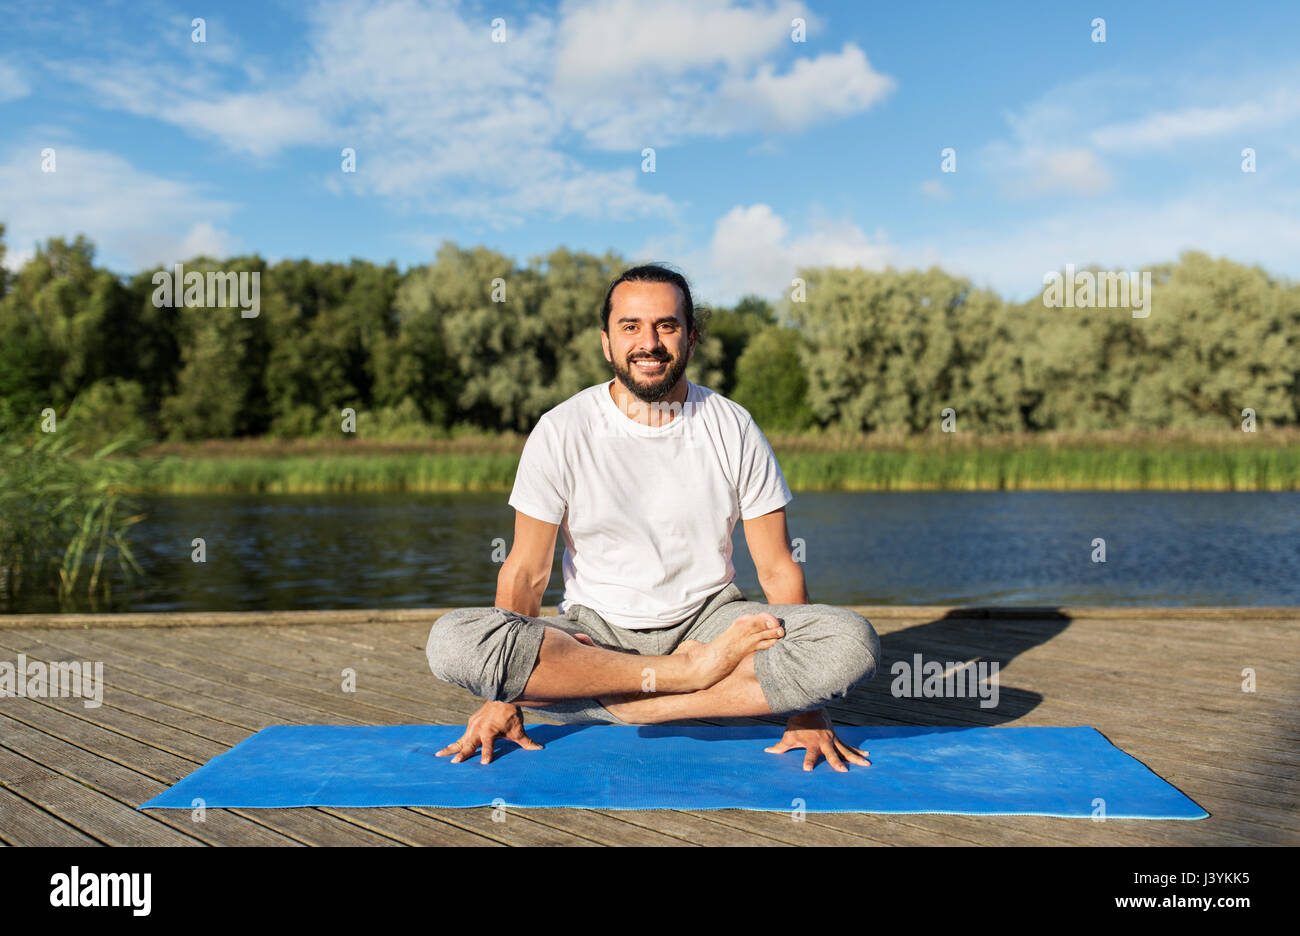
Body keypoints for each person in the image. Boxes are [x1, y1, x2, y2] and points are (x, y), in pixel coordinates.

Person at [425, 263, 880, 772]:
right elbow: (527, 572)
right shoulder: (560, 429)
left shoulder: (733, 426)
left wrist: (807, 711)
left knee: (850, 642)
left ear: (691, 337)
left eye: (666, 325)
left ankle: (643, 701)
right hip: (594, 639)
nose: (650, 342)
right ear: (606, 342)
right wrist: (501, 699)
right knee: (454, 643)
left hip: (712, 626)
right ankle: (685, 679)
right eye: (631, 327)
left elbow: (776, 567)